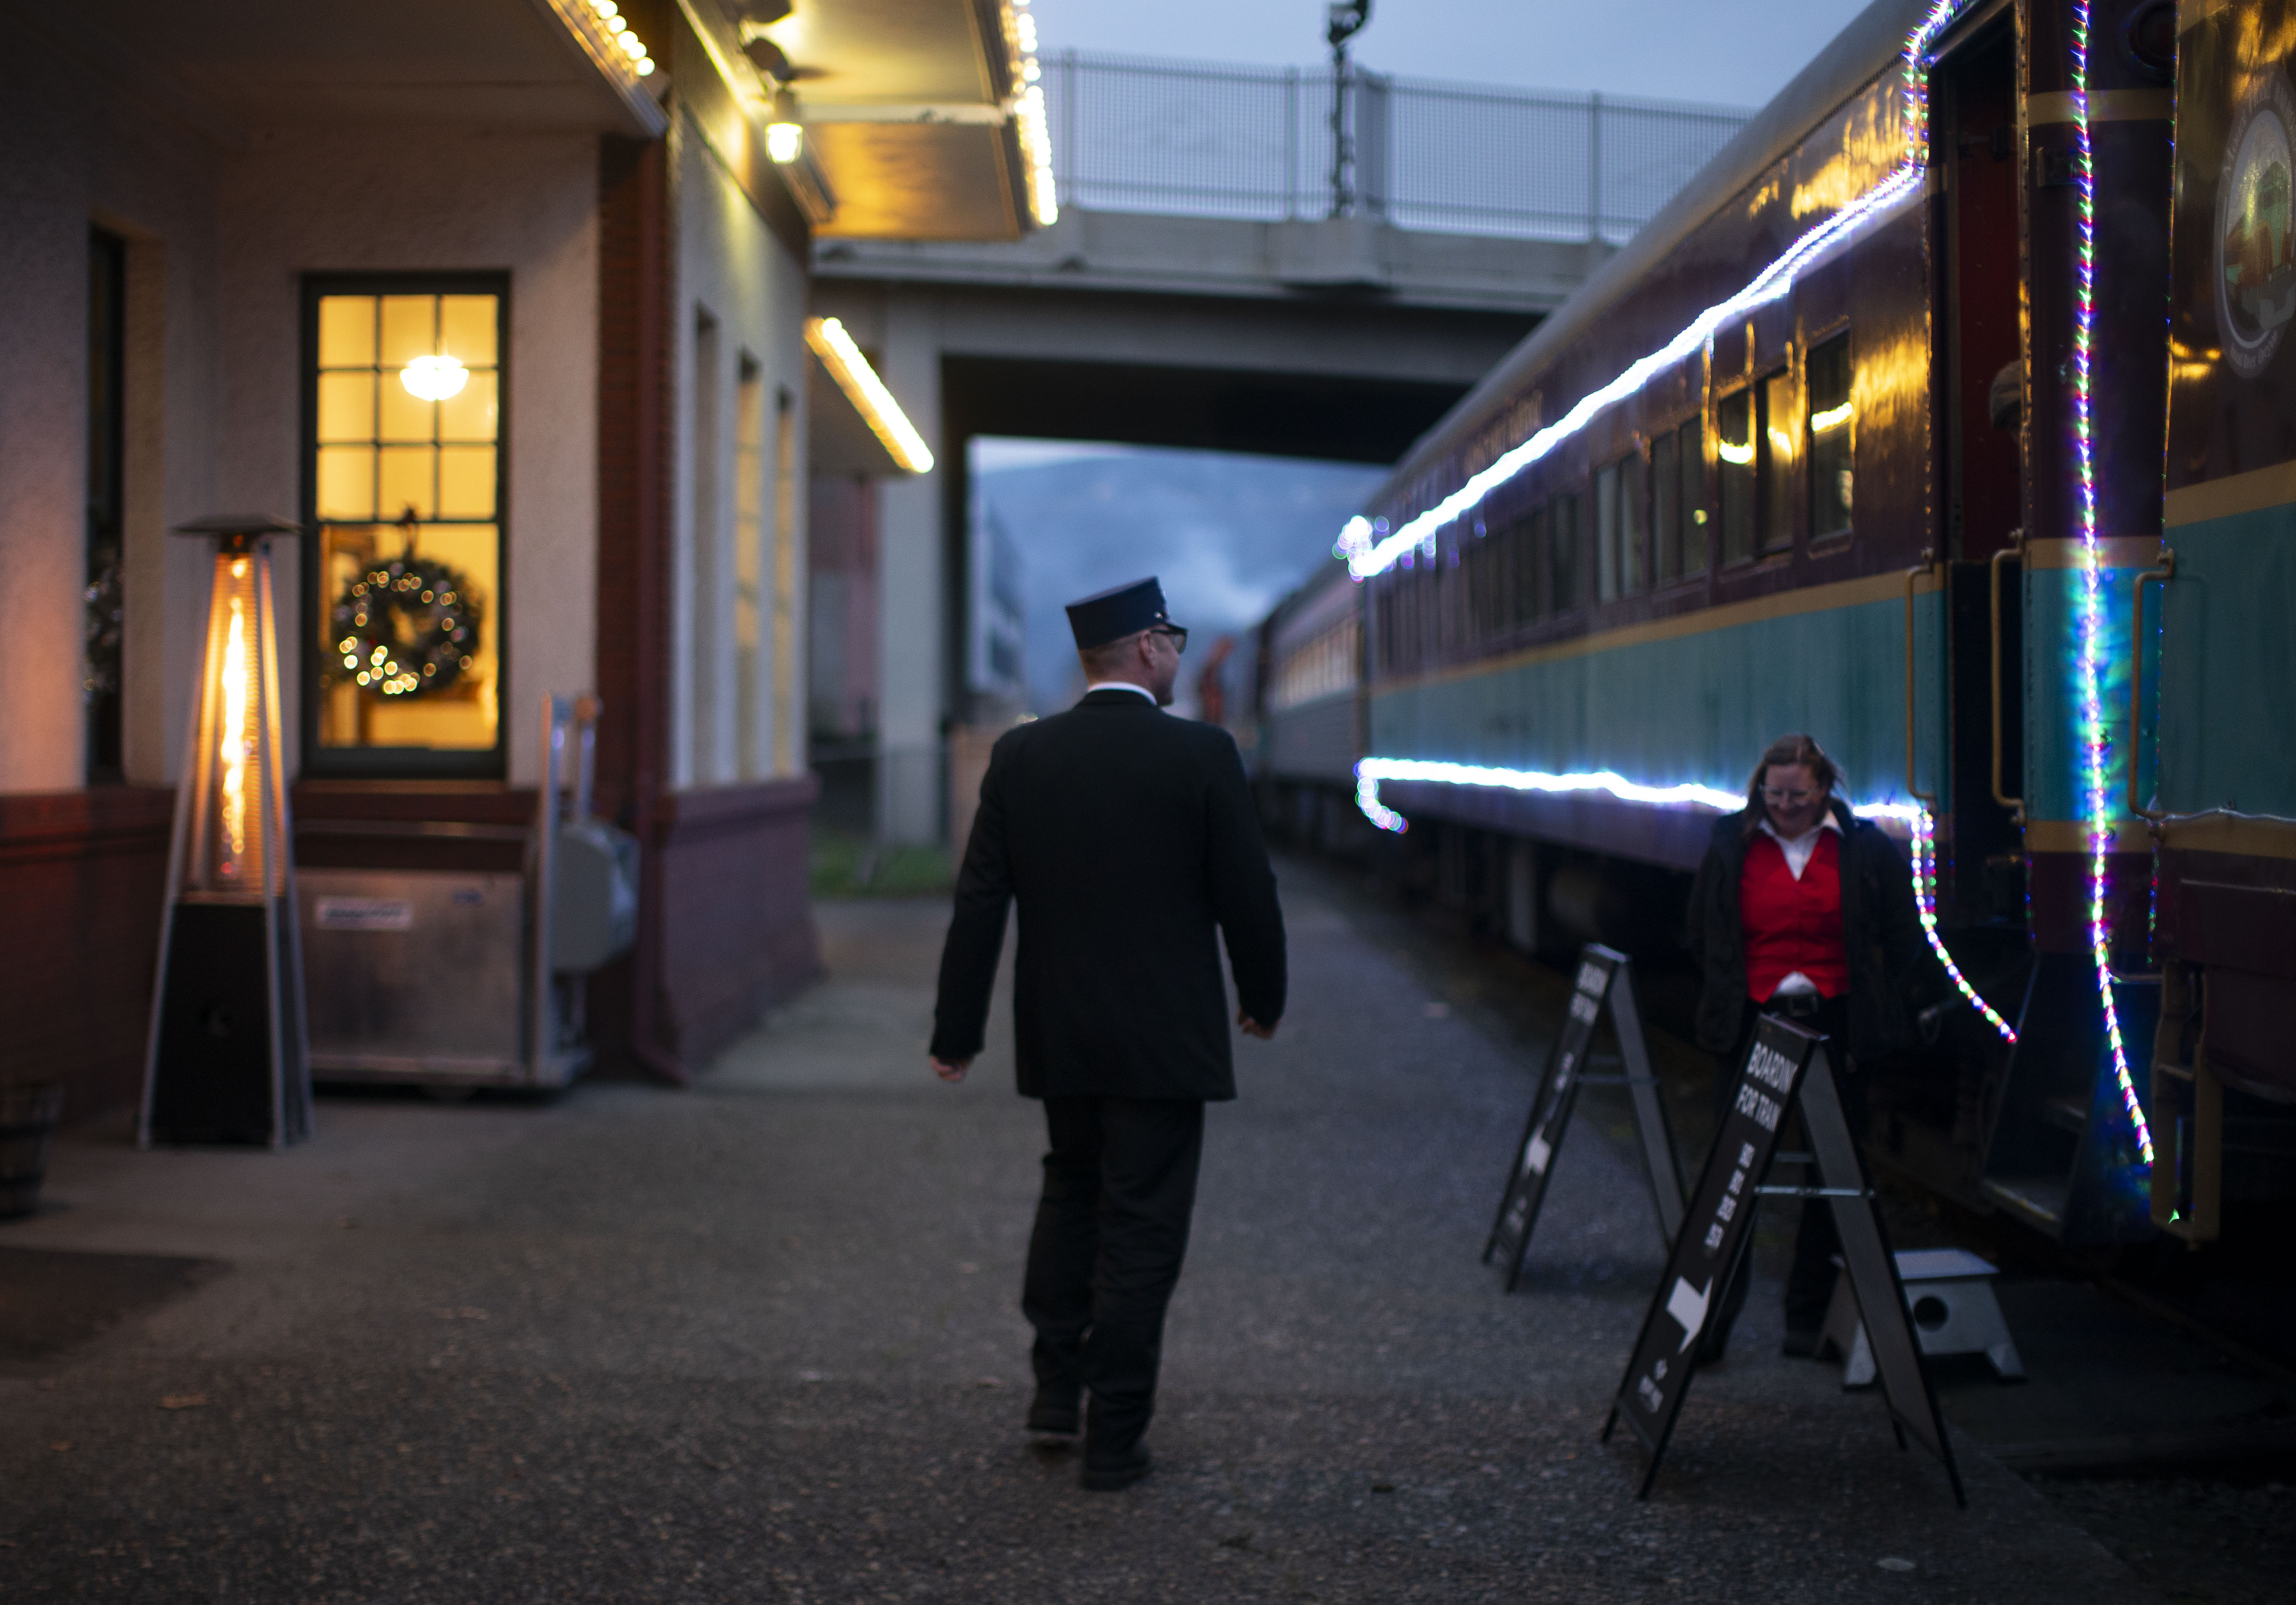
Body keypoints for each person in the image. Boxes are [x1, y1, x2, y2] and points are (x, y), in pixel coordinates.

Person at [929, 576, 1287, 1492]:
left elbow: (979, 903)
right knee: (1142, 1227)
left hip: (1061, 1032)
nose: (1174, 651)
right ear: (1148, 650)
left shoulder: (1021, 757)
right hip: (1165, 1042)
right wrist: (1263, 994)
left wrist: (956, 1028)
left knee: (1072, 1191)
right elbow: (1248, 893)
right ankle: (1115, 1436)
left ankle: (1055, 1394)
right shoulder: (1204, 755)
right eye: (1170, 637)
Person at [1686, 732, 1942, 1361]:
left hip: (1835, 1025)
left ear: (1824, 788)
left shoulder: (1865, 850)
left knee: (1834, 1176)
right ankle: (1709, 1329)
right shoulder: (1732, 844)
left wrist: (1868, 994)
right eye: (1774, 794)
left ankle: (1808, 1321)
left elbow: (1903, 934)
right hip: (1755, 1023)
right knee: (1734, 1177)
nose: (1785, 806)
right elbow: (1702, 929)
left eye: (1798, 795)